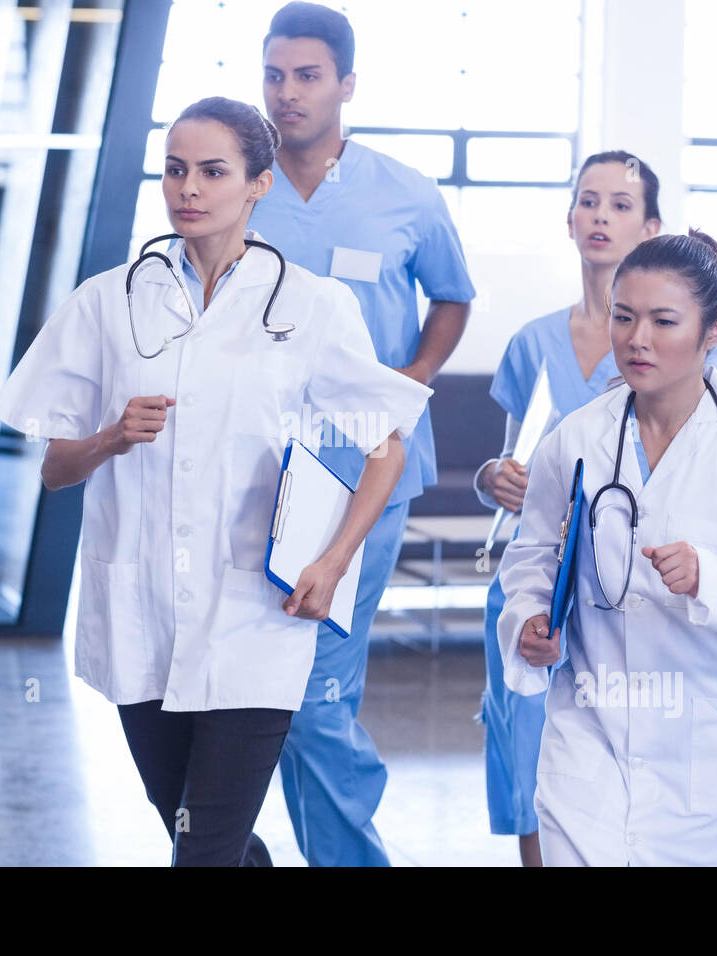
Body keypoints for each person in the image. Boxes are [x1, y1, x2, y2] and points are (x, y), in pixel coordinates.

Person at [0, 96, 431, 867]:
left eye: (212, 171)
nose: (187, 188)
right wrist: (110, 436)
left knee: (201, 853)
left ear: (258, 183)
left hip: (256, 616)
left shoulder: (312, 306)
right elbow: (56, 468)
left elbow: (384, 448)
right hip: (140, 615)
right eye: (174, 170)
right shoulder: (108, 300)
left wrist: (330, 564)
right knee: (195, 833)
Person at [497, 229, 717, 866]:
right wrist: (527, 623)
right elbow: (532, 560)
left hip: (707, 764)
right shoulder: (574, 440)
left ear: (714, 330)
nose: (637, 339)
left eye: (664, 320)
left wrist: (712, 579)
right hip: (589, 745)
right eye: (623, 317)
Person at [250, 1, 476, 867]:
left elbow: (453, 296)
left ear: (347, 84)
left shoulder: (405, 195)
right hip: (253, 469)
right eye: (274, 75)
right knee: (249, 691)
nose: (288, 93)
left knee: (315, 692)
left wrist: (411, 381)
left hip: (365, 476)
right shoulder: (241, 185)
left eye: (308, 76)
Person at [476, 150, 673, 865]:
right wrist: (494, 477)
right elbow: (504, 463)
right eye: (589, 201)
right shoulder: (533, 343)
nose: (601, 216)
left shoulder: (671, 346)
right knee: (526, 750)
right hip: (537, 585)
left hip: (629, 588)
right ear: (569, 220)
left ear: (650, 225)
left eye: (621, 205)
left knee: (624, 761)